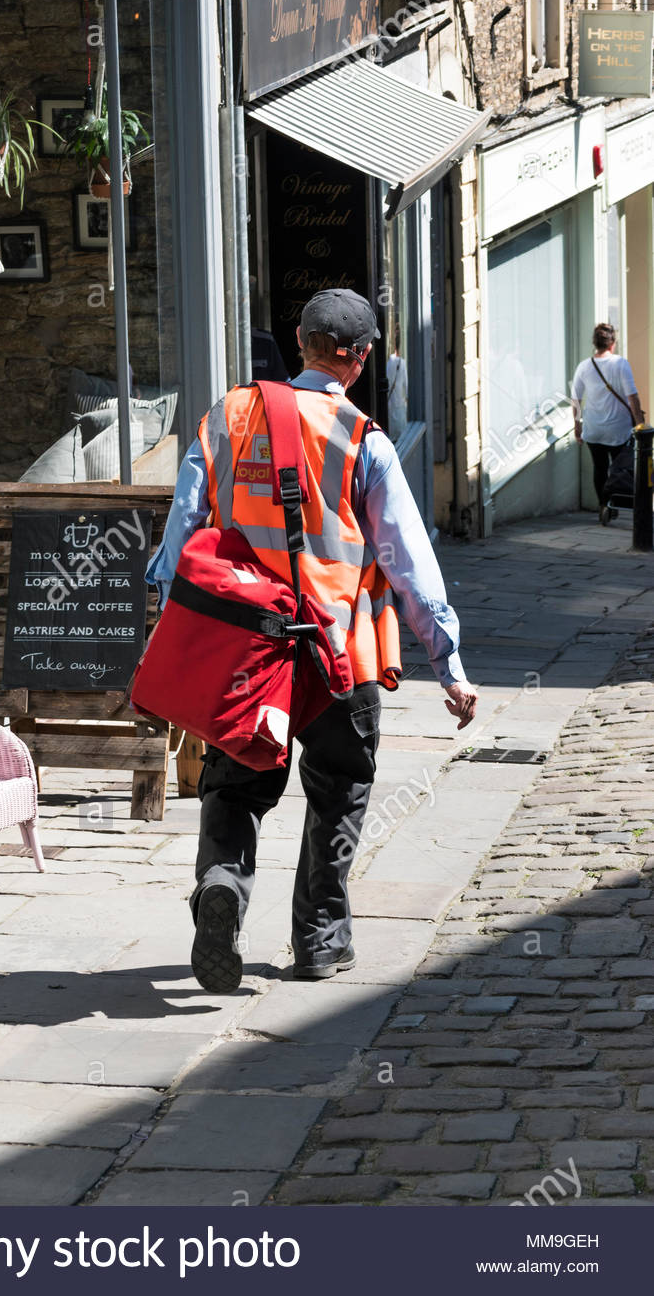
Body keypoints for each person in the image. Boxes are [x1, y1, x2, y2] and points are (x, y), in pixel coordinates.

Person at [146, 289, 478, 992]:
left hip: (246, 654)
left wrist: (174, 627)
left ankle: (222, 890)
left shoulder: (227, 418)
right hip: (339, 654)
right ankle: (321, 940)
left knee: (234, 788)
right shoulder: (365, 442)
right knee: (338, 794)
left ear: (299, 341)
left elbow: (178, 541)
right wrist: (447, 662)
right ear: (358, 360)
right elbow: (408, 563)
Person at [571, 323, 645, 524]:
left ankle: (603, 505)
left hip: (593, 429)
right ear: (612, 343)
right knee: (620, 469)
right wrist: (640, 425)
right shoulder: (620, 363)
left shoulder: (584, 366)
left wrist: (577, 426)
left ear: (595, 343)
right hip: (618, 429)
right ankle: (616, 503)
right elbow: (633, 397)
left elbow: (576, 399)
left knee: (599, 468)